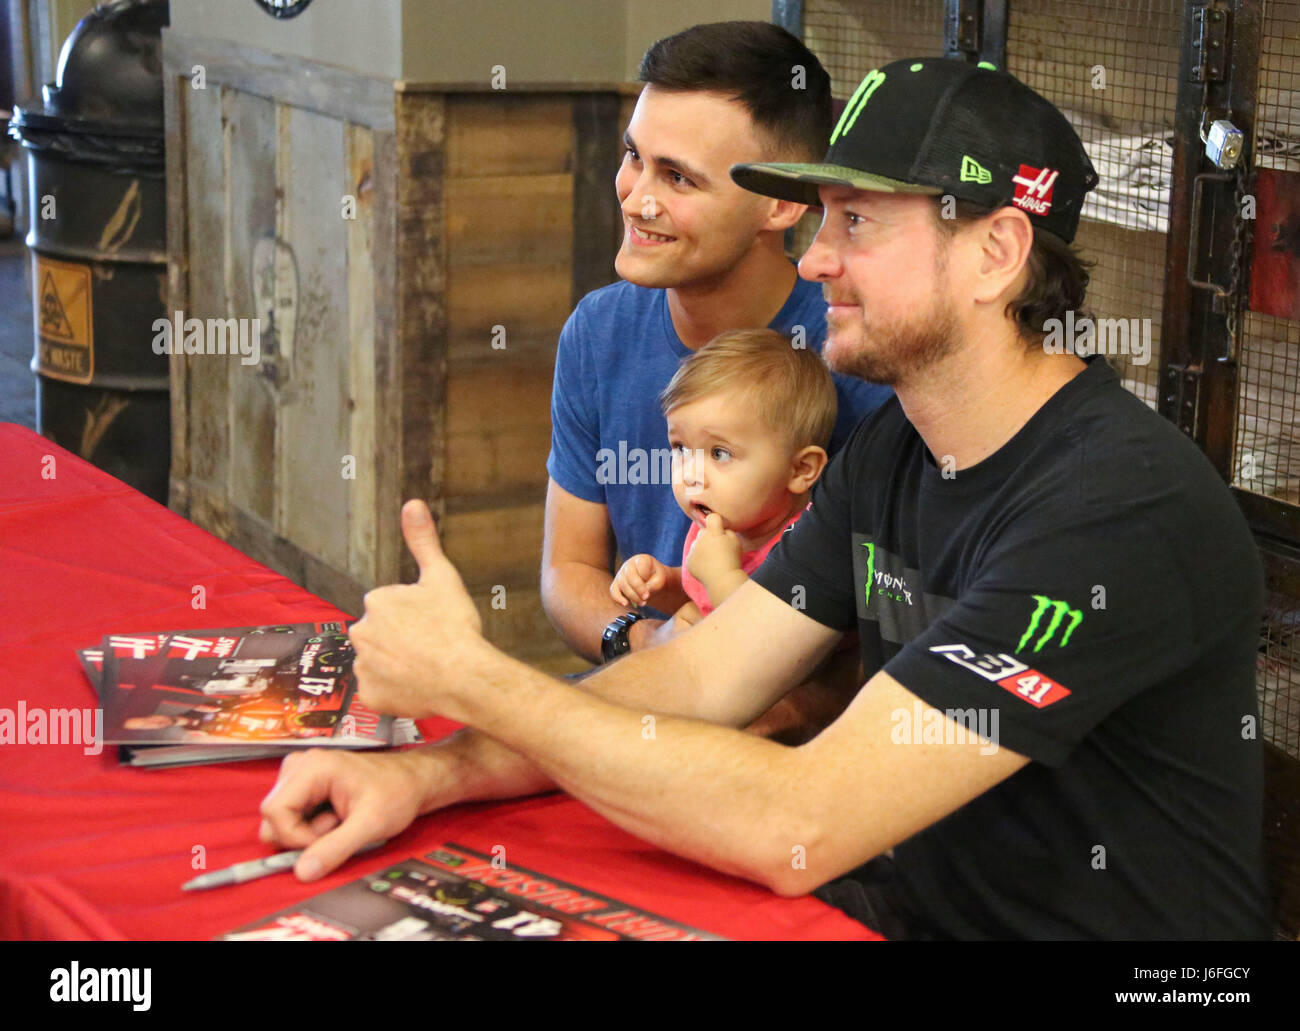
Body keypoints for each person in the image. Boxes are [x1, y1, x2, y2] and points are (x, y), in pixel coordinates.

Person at [260, 57, 1272, 939]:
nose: (816, 257)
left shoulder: (1116, 510)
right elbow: (697, 676)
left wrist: (474, 679)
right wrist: (427, 775)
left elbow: (801, 821)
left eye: (859, 222)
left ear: (996, 253)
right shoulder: (894, 450)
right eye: (822, 219)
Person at [544, 21, 891, 666]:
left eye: (677, 178)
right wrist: (646, 643)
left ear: (782, 205)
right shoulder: (598, 329)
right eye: (633, 158)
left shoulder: (861, 357)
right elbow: (567, 570)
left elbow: (865, 642)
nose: (636, 199)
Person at [610, 329, 834, 632]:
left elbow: (771, 645)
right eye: (681, 448)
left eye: (720, 453)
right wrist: (664, 584)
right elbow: (702, 597)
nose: (691, 475)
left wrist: (723, 577)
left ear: (800, 470)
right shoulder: (718, 520)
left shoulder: (808, 545)